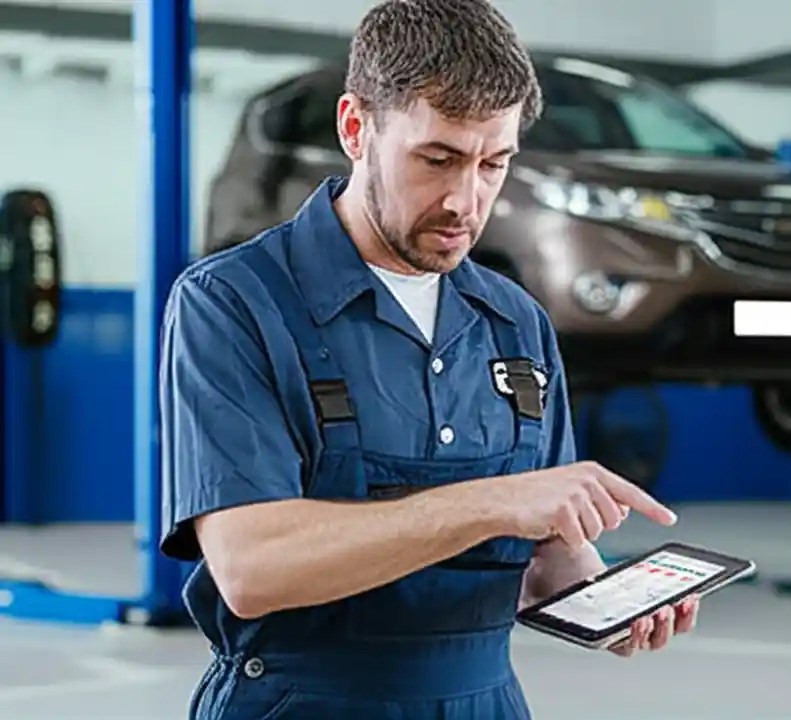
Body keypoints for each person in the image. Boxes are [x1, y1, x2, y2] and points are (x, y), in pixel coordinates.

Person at [157, 1, 700, 718]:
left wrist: (608, 603)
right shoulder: (233, 304)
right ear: (356, 128)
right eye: (436, 159)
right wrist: (493, 500)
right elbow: (254, 568)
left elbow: (545, 557)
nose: (464, 199)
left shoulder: (515, 323)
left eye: (493, 163)